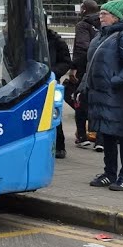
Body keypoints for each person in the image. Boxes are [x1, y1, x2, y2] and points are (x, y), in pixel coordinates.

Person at [83, 0, 123, 190]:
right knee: (106, 135)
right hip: (100, 95)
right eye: (101, 13)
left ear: (116, 16)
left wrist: (113, 82)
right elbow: (91, 64)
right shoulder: (101, 36)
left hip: (117, 95)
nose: (101, 16)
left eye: (105, 13)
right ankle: (109, 173)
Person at [72, 0, 102, 150]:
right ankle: (99, 137)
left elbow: (82, 46)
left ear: (84, 10)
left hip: (84, 68)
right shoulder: (102, 23)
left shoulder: (83, 25)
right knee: (99, 101)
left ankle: (83, 135)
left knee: (79, 99)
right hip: (101, 68)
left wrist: (74, 68)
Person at [46, 26, 73, 159]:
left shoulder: (56, 40)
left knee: (53, 114)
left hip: (50, 80)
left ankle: (59, 146)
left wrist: (52, 72)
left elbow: (66, 62)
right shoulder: (23, 38)